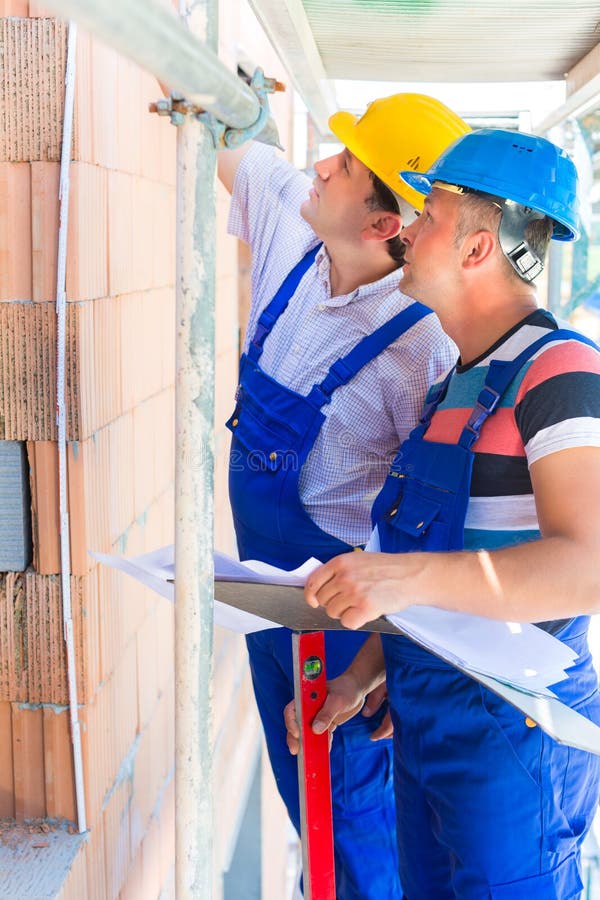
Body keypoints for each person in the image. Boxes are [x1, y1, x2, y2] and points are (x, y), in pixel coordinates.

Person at [286, 127, 600, 898]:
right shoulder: (450, 390)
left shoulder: (561, 369)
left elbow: (588, 565)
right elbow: (447, 584)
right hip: (430, 719)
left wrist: (401, 577)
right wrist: (368, 668)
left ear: (475, 249)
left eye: (429, 213)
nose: (412, 229)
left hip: (513, 737)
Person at [218, 94, 468, 898]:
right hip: (264, 599)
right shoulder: (294, 227)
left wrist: (390, 656)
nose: (319, 166)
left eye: (346, 165)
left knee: (354, 826)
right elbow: (230, 136)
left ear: (384, 226)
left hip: (342, 621)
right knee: (306, 806)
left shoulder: (421, 346)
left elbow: (439, 521)